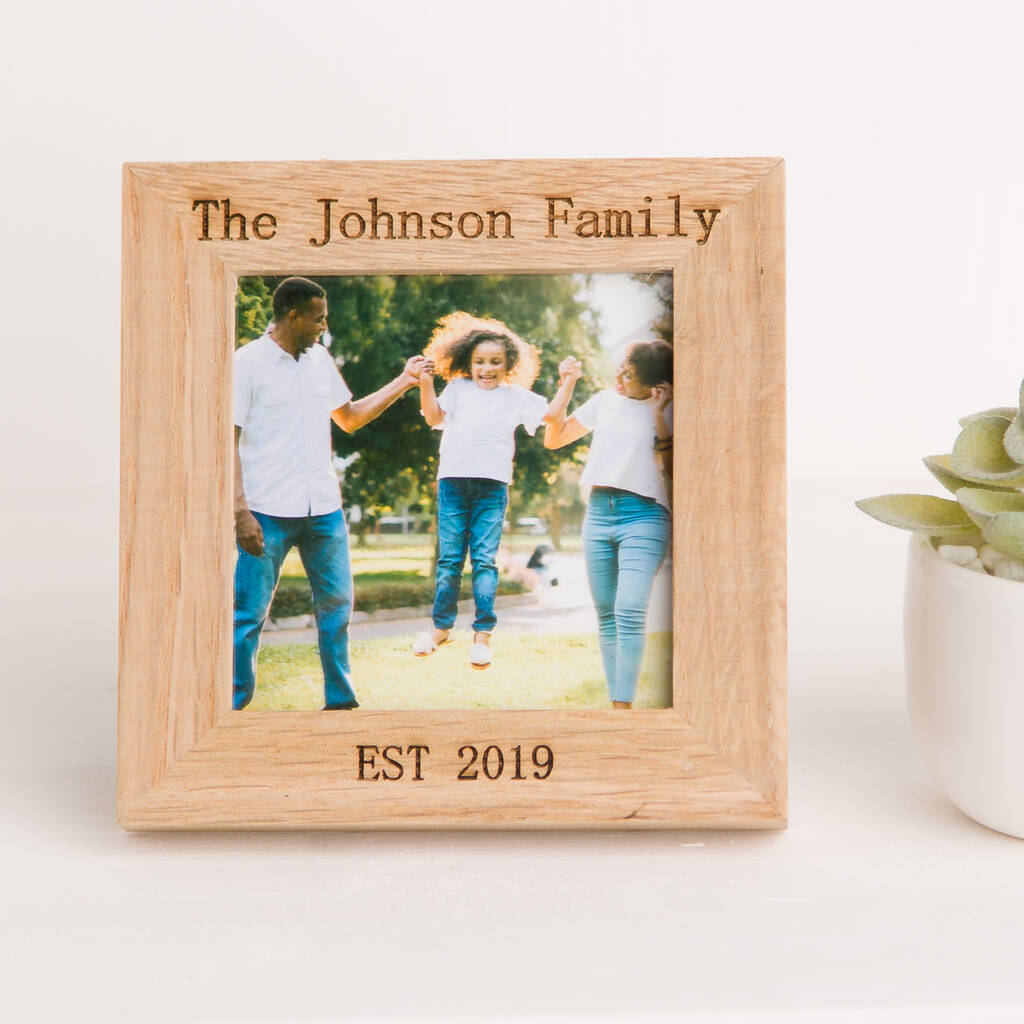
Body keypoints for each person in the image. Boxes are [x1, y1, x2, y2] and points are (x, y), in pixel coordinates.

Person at [233, 276, 430, 710]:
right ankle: (233, 706)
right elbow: (226, 439)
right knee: (248, 616)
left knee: (338, 607)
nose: (324, 325)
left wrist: (405, 380)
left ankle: (340, 703)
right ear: (293, 316)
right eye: (318, 318)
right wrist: (239, 510)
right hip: (266, 510)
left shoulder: (319, 358)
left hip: (323, 508)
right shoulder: (246, 363)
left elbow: (350, 418)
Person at [413, 311, 579, 668]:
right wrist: (425, 383)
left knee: (484, 561)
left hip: (492, 487)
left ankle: (482, 637)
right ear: (467, 363)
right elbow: (433, 417)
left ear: (509, 365)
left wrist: (567, 382)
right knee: (450, 561)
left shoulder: (515, 396)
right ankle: (440, 629)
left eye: (495, 362)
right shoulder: (458, 388)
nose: (486, 369)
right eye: (480, 362)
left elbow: (551, 416)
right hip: (453, 483)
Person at [544, 340, 673, 709]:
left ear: (654, 384)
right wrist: (566, 384)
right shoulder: (604, 400)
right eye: (620, 368)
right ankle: (620, 707)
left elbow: (677, 469)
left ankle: (622, 709)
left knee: (630, 610)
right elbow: (555, 439)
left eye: (628, 375)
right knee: (607, 615)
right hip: (599, 512)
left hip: (645, 515)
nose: (618, 377)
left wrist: (662, 416)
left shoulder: (668, 410)